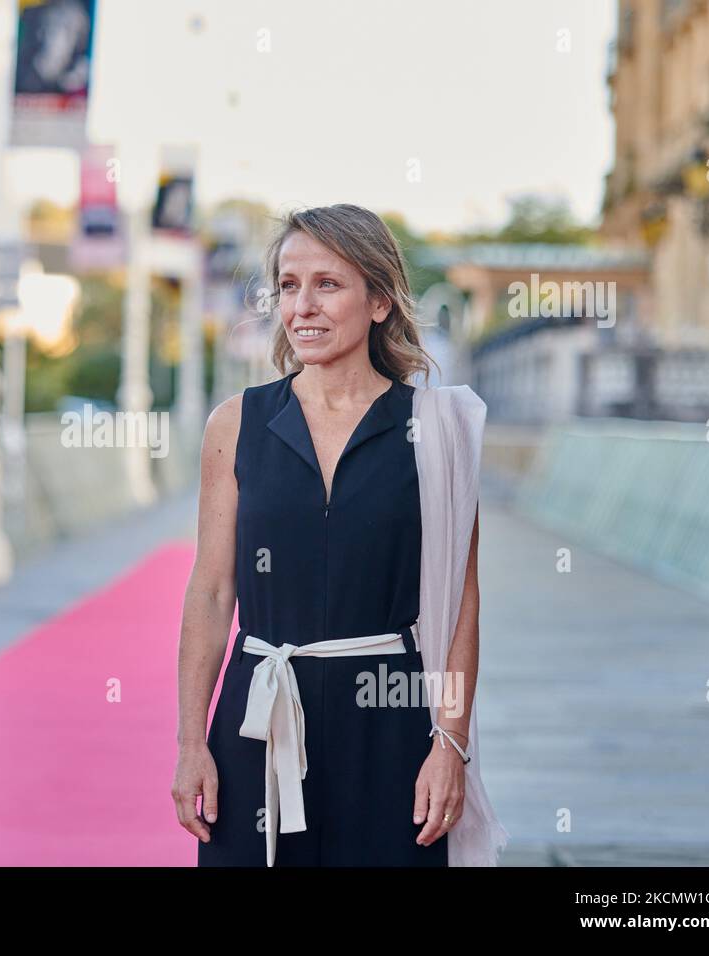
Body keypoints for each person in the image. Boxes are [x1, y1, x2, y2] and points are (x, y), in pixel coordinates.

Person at [173, 204, 505, 866]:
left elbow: (461, 602)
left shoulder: (437, 430)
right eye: (289, 286)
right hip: (258, 718)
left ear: (380, 300)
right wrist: (190, 742)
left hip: (390, 723)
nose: (302, 307)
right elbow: (211, 591)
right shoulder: (235, 423)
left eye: (328, 284)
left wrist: (451, 742)